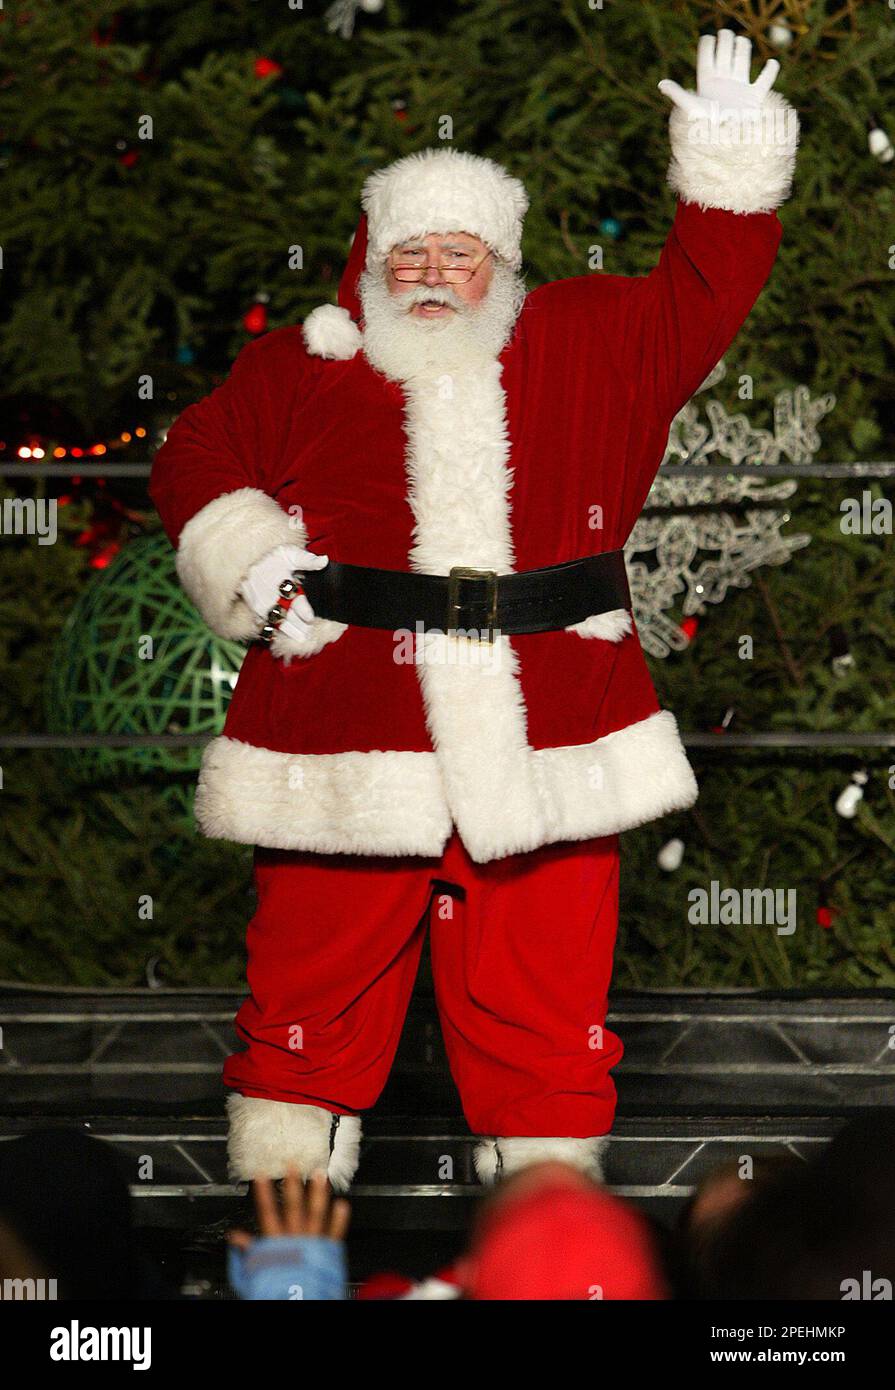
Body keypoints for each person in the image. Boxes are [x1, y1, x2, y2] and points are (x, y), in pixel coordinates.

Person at [149, 30, 799, 1190]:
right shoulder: (305, 365)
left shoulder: (594, 342)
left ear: (502, 266)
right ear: (369, 262)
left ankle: (546, 1261)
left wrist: (729, 162)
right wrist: (250, 560)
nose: (437, 273)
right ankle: (287, 1257)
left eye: (463, 252)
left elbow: (709, 289)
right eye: (413, 253)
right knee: (303, 1016)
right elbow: (196, 453)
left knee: (543, 1027)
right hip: (344, 738)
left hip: (549, 734)